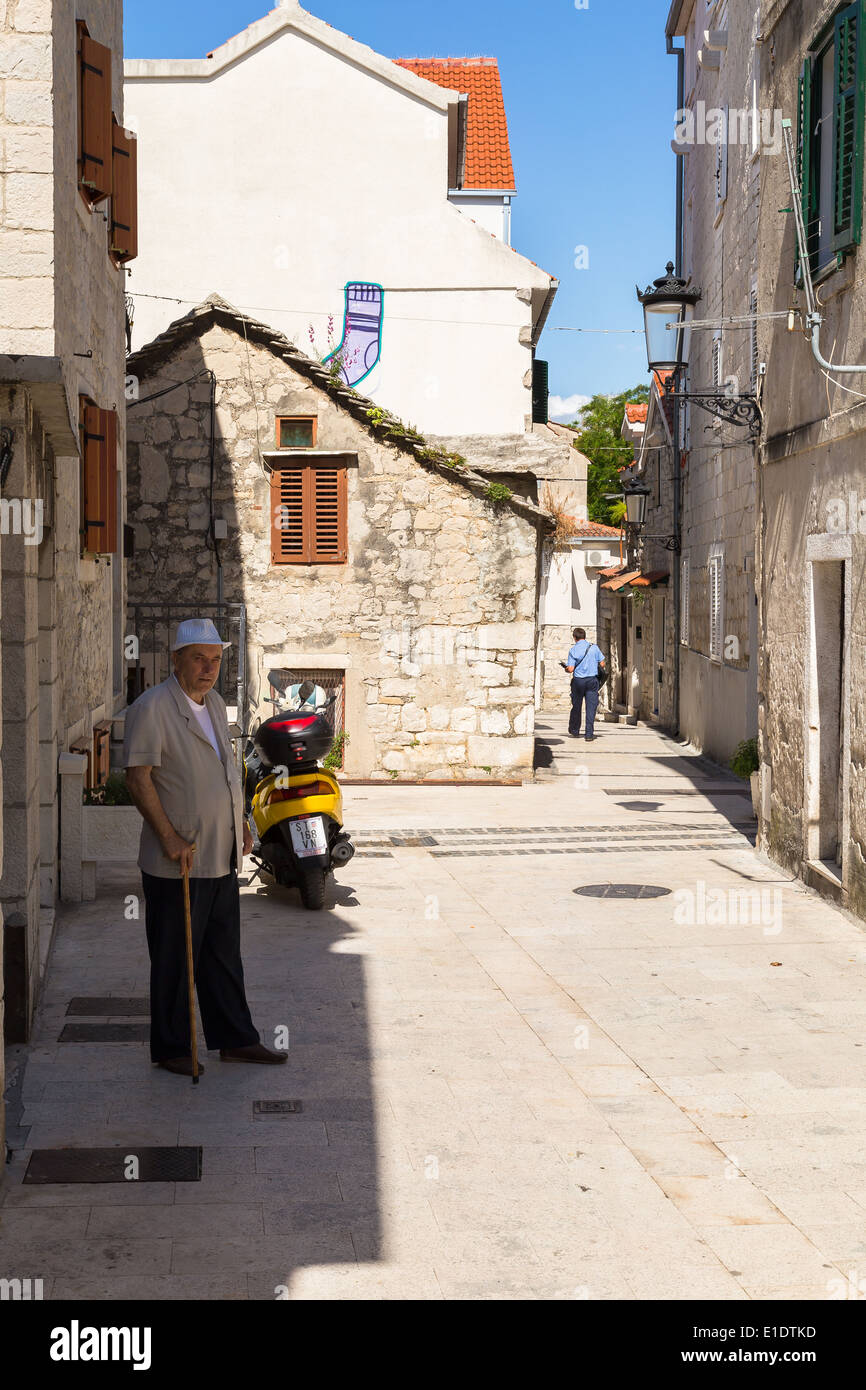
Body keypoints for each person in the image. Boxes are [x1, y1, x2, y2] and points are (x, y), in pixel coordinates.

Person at [123, 618, 287, 1076]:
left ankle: (235, 1039)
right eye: (198, 658)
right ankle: (173, 1048)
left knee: (221, 954)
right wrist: (169, 837)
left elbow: (223, 770)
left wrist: (241, 824)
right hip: (177, 860)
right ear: (177, 659)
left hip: (219, 855)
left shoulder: (213, 703)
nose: (208, 667)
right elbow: (138, 779)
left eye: (215, 659)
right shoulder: (152, 708)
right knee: (176, 958)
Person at [564, 627, 606, 742]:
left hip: (578, 681)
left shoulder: (573, 650)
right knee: (591, 708)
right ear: (584, 636)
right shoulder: (594, 648)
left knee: (576, 706)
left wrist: (566, 669)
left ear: (575, 638)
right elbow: (602, 664)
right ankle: (589, 734)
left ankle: (575, 730)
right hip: (592, 681)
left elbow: (571, 669)